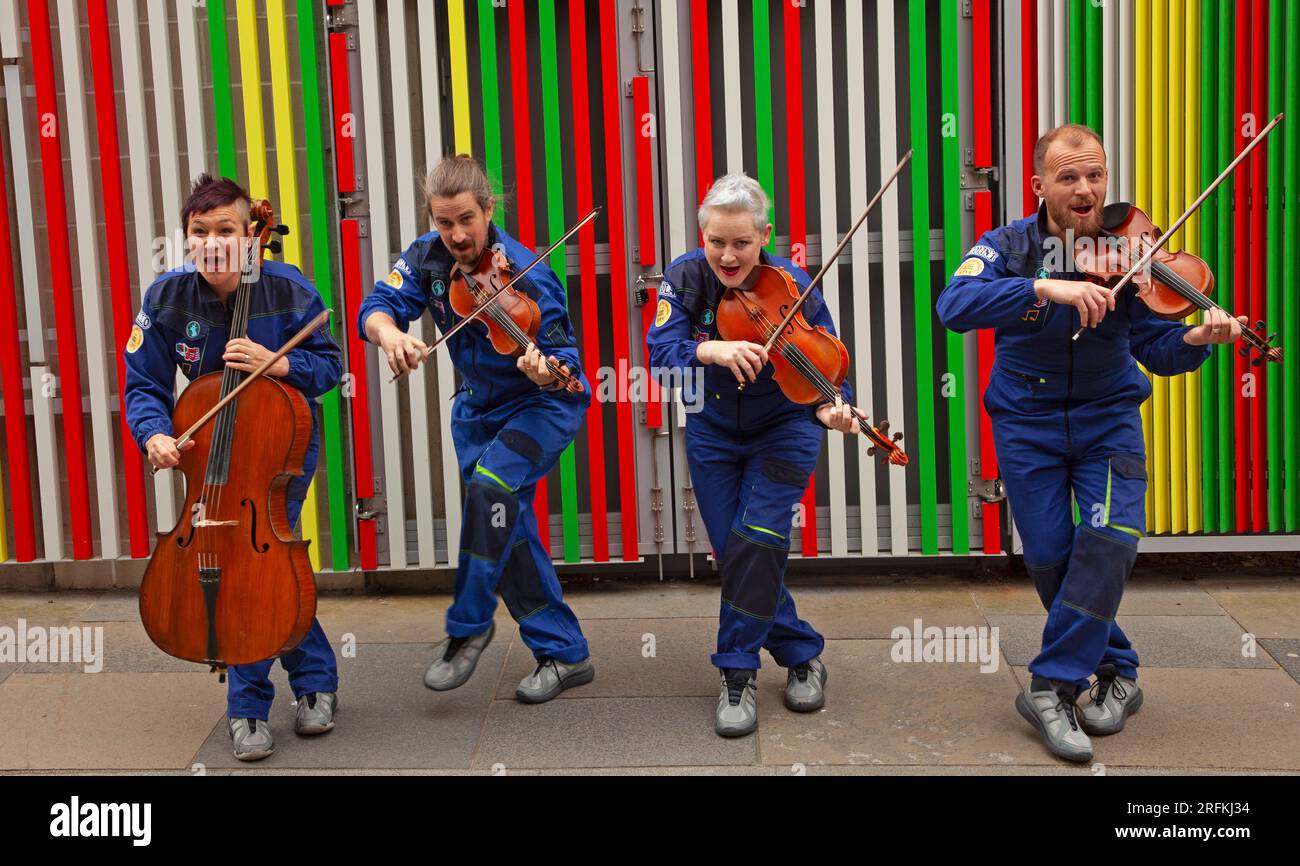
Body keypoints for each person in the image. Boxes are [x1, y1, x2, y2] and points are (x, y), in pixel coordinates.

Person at [936, 123, 1244, 762]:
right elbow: (954, 305)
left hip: (1108, 421)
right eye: (1069, 176)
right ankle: (1120, 668)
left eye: (1096, 175)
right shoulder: (1007, 246)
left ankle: (1050, 686)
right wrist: (1044, 287)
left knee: (1108, 542)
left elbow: (1152, 350)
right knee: (1050, 558)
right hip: (1028, 424)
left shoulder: (1133, 254)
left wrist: (1193, 342)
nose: (1085, 189)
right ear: (1038, 184)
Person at [357, 154, 595, 703]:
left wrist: (545, 368)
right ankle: (563, 653)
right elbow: (378, 304)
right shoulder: (425, 256)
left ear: (489, 208)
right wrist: (390, 335)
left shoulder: (530, 271)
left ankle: (470, 626)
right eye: (445, 222)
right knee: (502, 522)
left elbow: (567, 365)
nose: (458, 235)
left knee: (491, 491)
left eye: (467, 219)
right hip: (476, 411)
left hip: (540, 405)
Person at [124, 174, 343, 761]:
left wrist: (278, 365)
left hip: (279, 449)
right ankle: (317, 679)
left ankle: (246, 707)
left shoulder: (288, 289)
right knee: (262, 571)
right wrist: (155, 435)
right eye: (200, 232)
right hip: (208, 461)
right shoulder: (165, 298)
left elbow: (329, 368)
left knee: (251, 573)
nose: (213, 242)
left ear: (252, 235)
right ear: (187, 238)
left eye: (227, 230)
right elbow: (143, 385)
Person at [646, 173, 860, 738]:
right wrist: (710, 348)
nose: (728, 254)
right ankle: (800, 653)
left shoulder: (790, 283)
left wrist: (837, 410)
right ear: (703, 235)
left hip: (783, 429)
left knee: (757, 540)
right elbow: (660, 357)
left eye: (741, 242)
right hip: (713, 435)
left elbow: (828, 362)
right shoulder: (684, 277)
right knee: (736, 552)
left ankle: (735, 674)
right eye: (717, 241)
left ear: (764, 234)